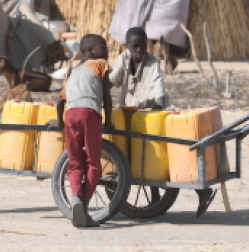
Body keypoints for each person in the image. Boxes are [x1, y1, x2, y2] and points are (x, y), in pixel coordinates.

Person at [109, 26, 216, 217]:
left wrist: (158, 107)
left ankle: (201, 191)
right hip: (130, 113)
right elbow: (113, 80)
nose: (139, 50)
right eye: (135, 46)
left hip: (152, 113)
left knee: (160, 155)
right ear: (127, 46)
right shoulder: (122, 59)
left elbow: (158, 86)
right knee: (143, 156)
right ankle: (156, 197)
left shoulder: (152, 62)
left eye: (142, 45)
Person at [51, 34, 114, 228]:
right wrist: (109, 122)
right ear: (89, 51)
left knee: (75, 162)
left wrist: (59, 121)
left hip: (71, 115)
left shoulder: (73, 71)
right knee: (93, 163)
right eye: (102, 48)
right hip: (89, 114)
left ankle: (76, 199)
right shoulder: (100, 64)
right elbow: (107, 96)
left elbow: (60, 101)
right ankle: (84, 208)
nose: (106, 52)